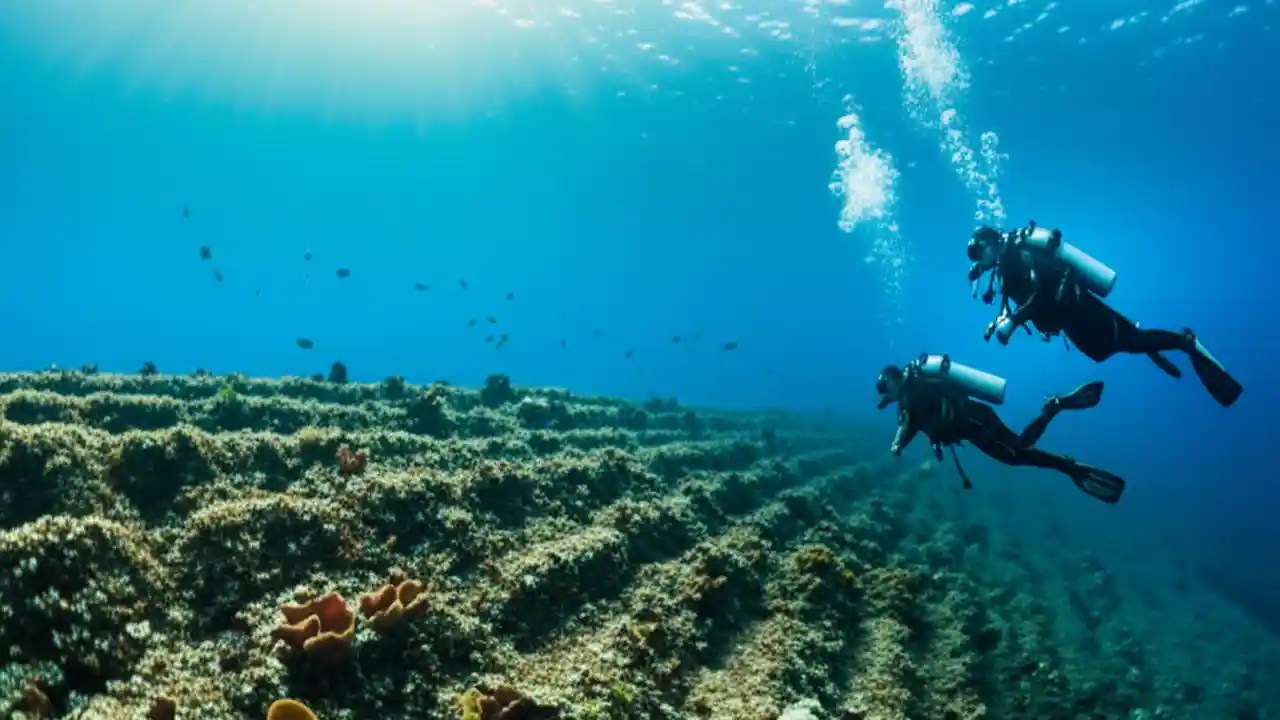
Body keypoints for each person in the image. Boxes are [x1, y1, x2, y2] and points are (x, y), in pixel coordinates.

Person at [967, 222, 1243, 408]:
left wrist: (1014, 322)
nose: (979, 259)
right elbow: (1018, 301)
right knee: (1118, 346)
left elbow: (1039, 295)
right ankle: (1151, 341)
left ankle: (1184, 341)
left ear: (992, 243)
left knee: (1130, 342)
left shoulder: (1022, 256)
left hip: (1083, 313)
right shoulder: (1006, 268)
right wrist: (1002, 321)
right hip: (1072, 322)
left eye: (980, 251)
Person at [877, 354, 1126, 503]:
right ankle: (1066, 465)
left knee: (1018, 447)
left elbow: (908, 424)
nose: (885, 394)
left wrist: (898, 444)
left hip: (973, 419)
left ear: (895, 380)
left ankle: (1055, 408)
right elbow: (920, 420)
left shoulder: (914, 391)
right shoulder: (912, 393)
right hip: (970, 426)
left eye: (885, 387)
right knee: (1013, 456)